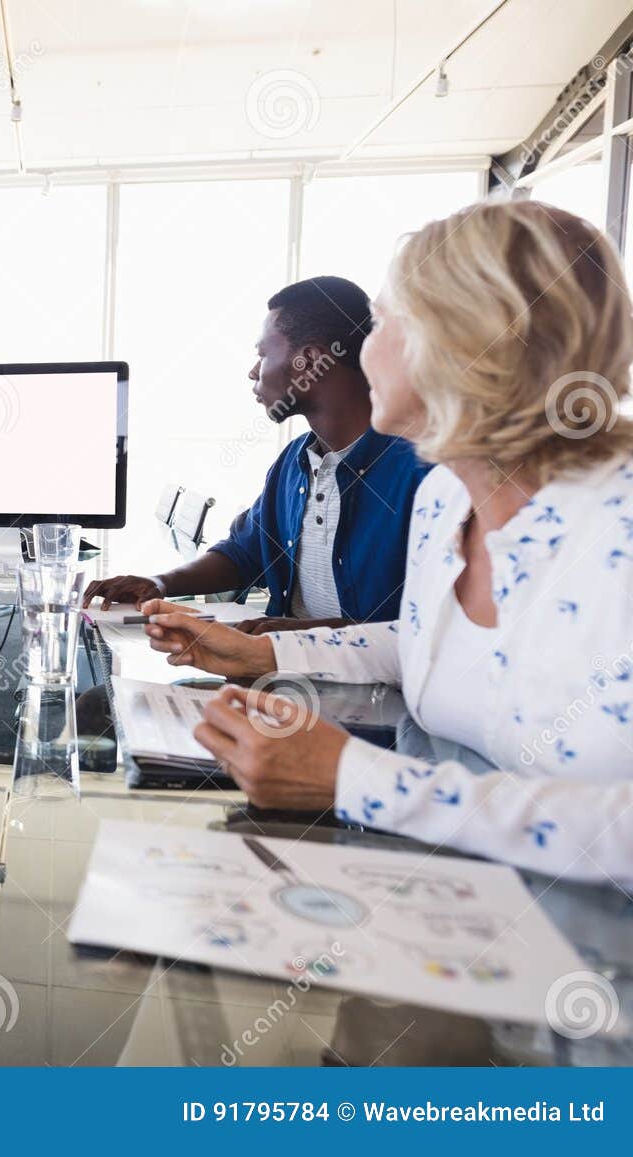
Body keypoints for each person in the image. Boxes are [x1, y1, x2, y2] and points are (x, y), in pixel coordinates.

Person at [142, 199, 633, 886]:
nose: (363, 346)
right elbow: (419, 638)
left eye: (385, 320)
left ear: (463, 337)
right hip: (452, 902)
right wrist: (264, 649)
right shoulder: (447, 498)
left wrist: (358, 777)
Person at [86, 276, 431, 634]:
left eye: (263, 353)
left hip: (365, 683)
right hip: (281, 670)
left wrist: (291, 636)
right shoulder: (295, 460)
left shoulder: (420, 472)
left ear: (309, 361)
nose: (253, 371)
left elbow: (422, 631)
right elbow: (244, 553)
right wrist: (158, 584)